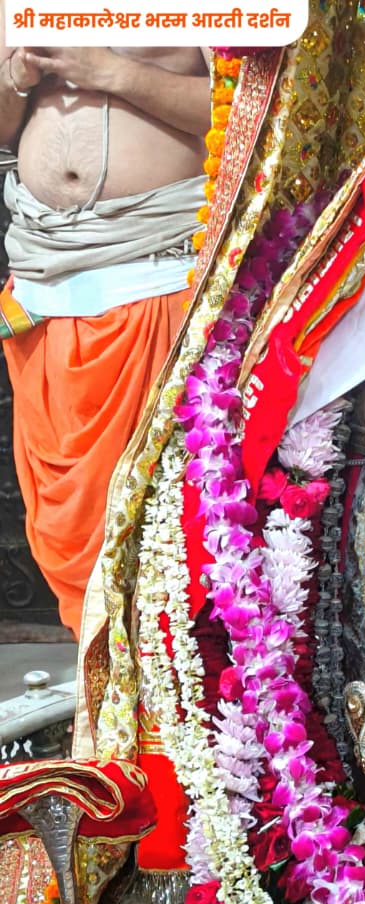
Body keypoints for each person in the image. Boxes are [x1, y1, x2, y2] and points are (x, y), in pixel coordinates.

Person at [0, 26, 210, 635]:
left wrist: (111, 72)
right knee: (69, 527)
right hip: (44, 276)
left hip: (157, 275)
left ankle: (160, 689)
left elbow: (257, 112)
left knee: (161, 534)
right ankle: (99, 682)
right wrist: (16, 80)